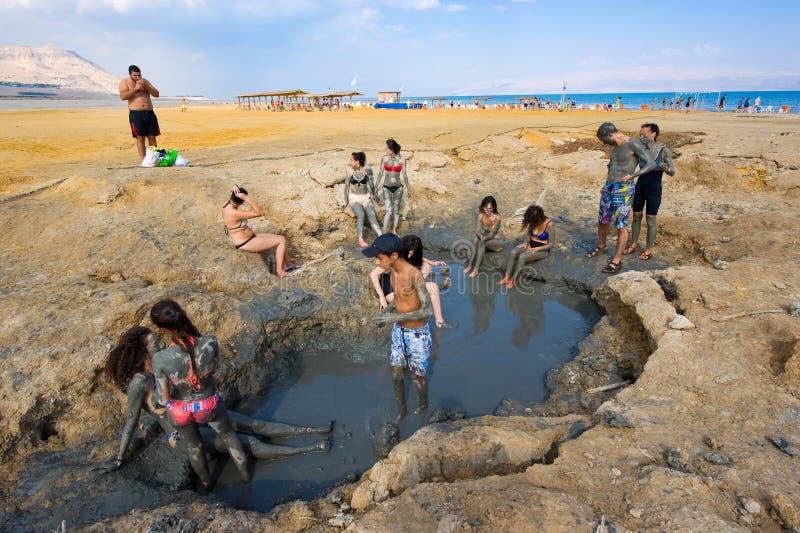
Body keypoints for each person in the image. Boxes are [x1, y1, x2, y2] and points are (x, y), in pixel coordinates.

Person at [93, 326, 332, 474]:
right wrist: (119, 458)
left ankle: (313, 430)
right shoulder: (139, 382)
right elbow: (131, 421)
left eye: (159, 339)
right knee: (247, 442)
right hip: (181, 434)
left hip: (199, 414)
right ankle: (308, 449)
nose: (162, 344)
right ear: (141, 352)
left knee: (254, 424)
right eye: (156, 343)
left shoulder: (165, 363)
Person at [150, 300, 249, 488]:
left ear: (161, 330)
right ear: (183, 313)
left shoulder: (160, 358)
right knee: (229, 437)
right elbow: (215, 369)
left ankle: (206, 486)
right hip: (209, 402)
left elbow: (164, 399)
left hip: (181, 410)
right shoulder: (210, 341)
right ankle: (246, 479)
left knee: (194, 447)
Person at [363, 234, 433, 419]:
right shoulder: (392, 273)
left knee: (418, 377)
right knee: (396, 374)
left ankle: (423, 403)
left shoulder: (414, 274)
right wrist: (386, 314)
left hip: (418, 334)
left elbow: (427, 311)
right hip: (399, 331)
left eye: (379, 258)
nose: (377, 263)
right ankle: (401, 408)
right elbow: (398, 300)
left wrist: (394, 316)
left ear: (394, 256)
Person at [585, 122, 656, 273]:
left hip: (623, 189)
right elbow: (614, 164)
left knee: (621, 225)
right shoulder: (614, 145)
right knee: (602, 219)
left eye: (604, 140)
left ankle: (617, 260)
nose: (604, 143)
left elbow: (651, 163)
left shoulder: (632, 144)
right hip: (609, 186)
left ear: (610, 135)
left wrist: (633, 175)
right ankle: (602, 244)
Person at [370, 234, 451, 328]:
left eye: (412, 254)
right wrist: (381, 296)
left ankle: (440, 322)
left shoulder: (409, 256)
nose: (409, 256)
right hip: (391, 289)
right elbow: (374, 274)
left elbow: (419, 258)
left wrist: (432, 262)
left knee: (433, 285)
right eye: (408, 252)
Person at [221, 185, 299, 277]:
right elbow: (260, 213)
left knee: (281, 238)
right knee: (281, 241)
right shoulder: (235, 213)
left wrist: (233, 187)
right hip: (245, 242)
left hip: (249, 237)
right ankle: (280, 272)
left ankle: (289, 265)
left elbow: (231, 192)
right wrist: (247, 199)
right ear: (241, 201)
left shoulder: (226, 204)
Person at [624, 123, 675, 261]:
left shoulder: (663, 151)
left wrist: (665, 168)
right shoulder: (639, 150)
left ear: (653, 134)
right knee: (636, 217)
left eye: (644, 134)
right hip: (640, 187)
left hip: (654, 189)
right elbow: (631, 167)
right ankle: (633, 243)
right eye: (640, 134)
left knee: (651, 220)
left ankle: (648, 249)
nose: (641, 137)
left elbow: (673, 171)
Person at [499, 205, 555, 289]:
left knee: (522, 257)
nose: (531, 224)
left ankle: (513, 280)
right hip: (530, 244)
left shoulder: (549, 224)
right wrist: (525, 243)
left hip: (543, 249)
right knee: (513, 252)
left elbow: (551, 244)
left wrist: (537, 249)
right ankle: (507, 277)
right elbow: (528, 236)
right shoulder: (532, 220)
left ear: (538, 218)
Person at [119, 65, 160, 161]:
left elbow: (156, 94)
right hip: (136, 114)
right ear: (130, 74)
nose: (138, 77)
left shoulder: (145, 81)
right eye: (135, 75)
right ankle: (144, 160)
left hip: (150, 113)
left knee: (152, 137)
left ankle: (155, 158)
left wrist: (147, 86)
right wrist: (136, 89)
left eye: (139, 75)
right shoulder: (124, 82)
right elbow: (123, 96)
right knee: (140, 138)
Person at [341, 152, 382, 248]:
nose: (349, 161)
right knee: (361, 215)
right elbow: (346, 187)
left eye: (351, 160)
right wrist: (345, 201)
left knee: (373, 217)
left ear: (357, 162)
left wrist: (376, 197)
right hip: (354, 197)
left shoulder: (367, 169)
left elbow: (372, 185)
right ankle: (360, 239)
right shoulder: (348, 170)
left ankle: (381, 237)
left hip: (365, 196)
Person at [375, 138, 411, 234]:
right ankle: (384, 230)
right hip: (386, 187)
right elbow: (380, 173)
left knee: (396, 210)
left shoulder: (402, 159)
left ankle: (394, 230)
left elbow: (405, 175)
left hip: (398, 188)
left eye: (386, 149)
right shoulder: (384, 158)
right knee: (389, 210)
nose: (385, 150)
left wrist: (408, 188)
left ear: (392, 149)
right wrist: (375, 187)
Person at [463, 196, 505, 278]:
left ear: (494, 208)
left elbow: (492, 234)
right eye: (486, 209)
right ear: (483, 207)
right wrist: (480, 236)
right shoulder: (481, 215)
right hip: (488, 238)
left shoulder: (497, 218)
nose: (488, 211)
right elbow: (477, 231)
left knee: (482, 242)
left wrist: (483, 238)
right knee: (476, 239)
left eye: (490, 209)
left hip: (499, 242)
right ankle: (470, 265)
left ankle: (476, 270)